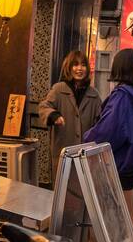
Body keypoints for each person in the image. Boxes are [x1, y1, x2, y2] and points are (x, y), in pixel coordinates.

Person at [83, 48, 133, 191]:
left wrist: (87, 139)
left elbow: (109, 130)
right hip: (132, 161)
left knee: (122, 211)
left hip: (121, 161)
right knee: (129, 209)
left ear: (119, 67)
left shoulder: (122, 96)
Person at [38, 50, 101, 178]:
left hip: (86, 154)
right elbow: (44, 106)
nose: (79, 68)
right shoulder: (58, 89)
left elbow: (101, 121)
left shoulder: (94, 94)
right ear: (69, 67)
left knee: (82, 191)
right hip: (63, 151)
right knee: (63, 190)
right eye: (75, 64)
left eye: (83, 65)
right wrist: (54, 116)